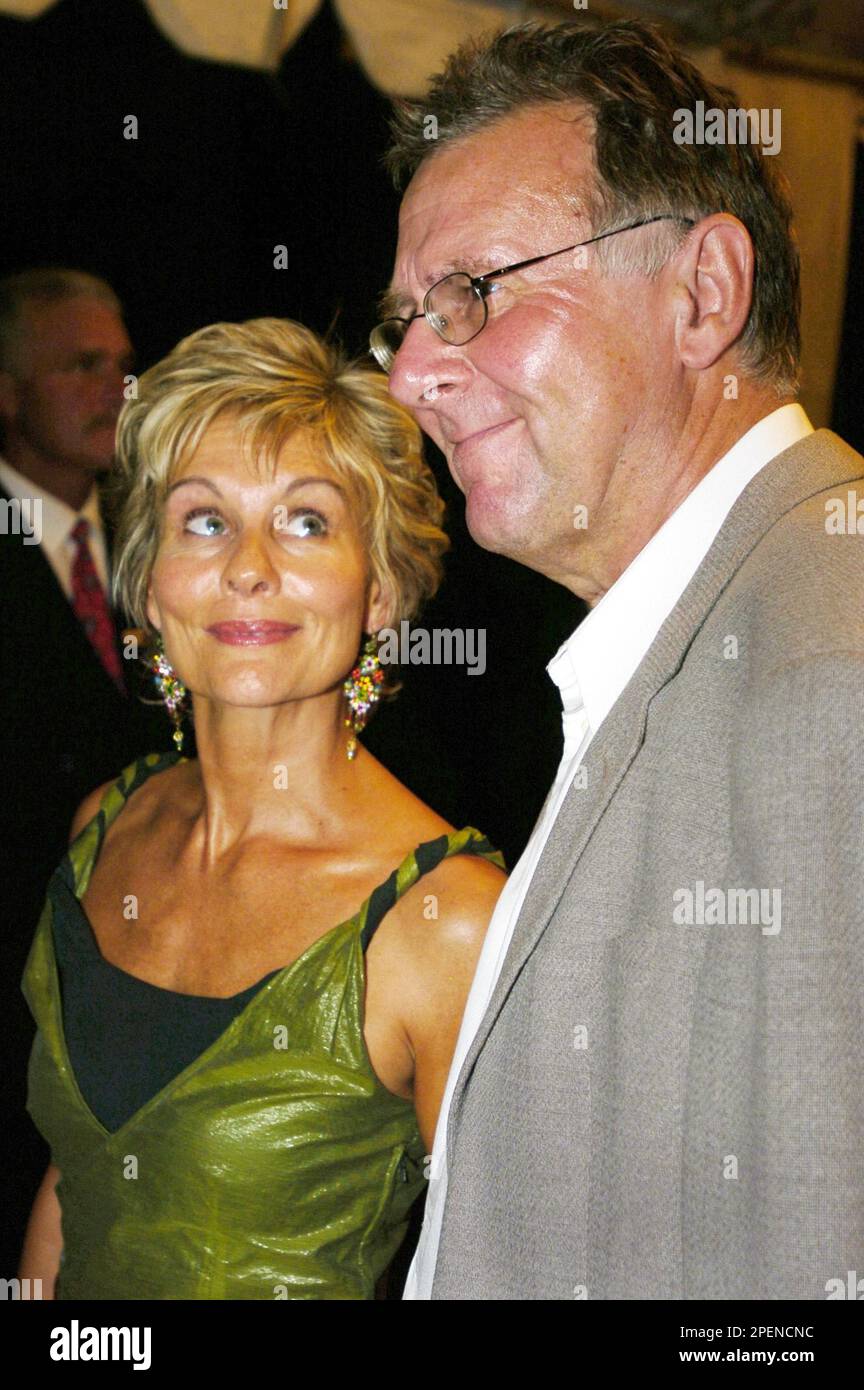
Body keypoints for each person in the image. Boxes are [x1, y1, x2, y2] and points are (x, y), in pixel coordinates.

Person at [371, 19, 864, 1298]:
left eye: (475, 291)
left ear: (703, 294)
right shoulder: (714, 631)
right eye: (405, 320)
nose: (414, 374)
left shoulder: (833, 669)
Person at [17, 316, 506, 1300]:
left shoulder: (447, 920)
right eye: (204, 520)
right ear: (148, 578)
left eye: (306, 520)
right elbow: (75, 1185)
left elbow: (510, 1268)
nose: (248, 564)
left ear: (380, 588)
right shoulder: (105, 826)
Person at [0, 268, 174, 1276]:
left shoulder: (166, 543)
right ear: (9, 390)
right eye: (80, 365)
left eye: (121, 363)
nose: (115, 387)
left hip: (145, 997)